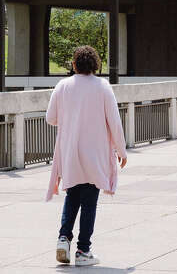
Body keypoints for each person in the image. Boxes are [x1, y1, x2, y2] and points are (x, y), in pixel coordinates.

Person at [45, 45, 128, 267]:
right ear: (95, 66)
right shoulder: (102, 86)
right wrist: (121, 150)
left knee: (72, 196)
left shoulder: (63, 86)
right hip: (96, 153)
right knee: (89, 201)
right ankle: (83, 250)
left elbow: (50, 117)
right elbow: (114, 122)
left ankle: (64, 239)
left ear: (74, 65)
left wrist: (70, 117)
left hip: (70, 151)